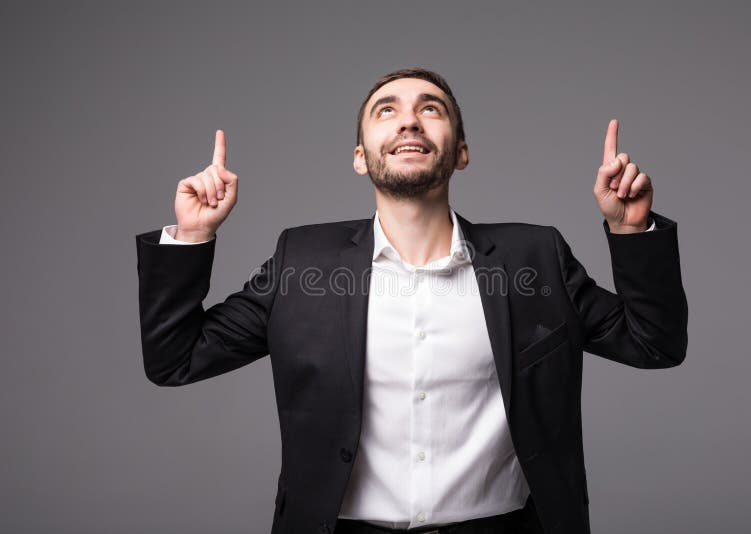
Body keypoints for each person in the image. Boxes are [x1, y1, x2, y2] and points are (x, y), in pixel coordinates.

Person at [135, 68, 688, 534]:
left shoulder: (534, 256)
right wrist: (192, 237)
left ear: (462, 152)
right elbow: (175, 359)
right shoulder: (301, 260)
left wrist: (630, 230)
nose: (408, 120)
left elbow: (653, 344)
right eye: (386, 111)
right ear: (360, 156)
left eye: (430, 108)